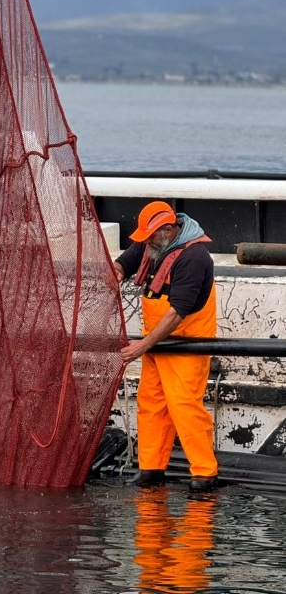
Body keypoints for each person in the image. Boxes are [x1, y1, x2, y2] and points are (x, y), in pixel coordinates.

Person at [115, 201, 218, 493]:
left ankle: (204, 473)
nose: (146, 242)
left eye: (151, 236)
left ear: (169, 230)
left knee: (184, 405)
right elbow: (127, 259)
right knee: (151, 403)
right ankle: (151, 469)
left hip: (187, 342)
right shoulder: (154, 241)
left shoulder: (194, 257)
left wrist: (142, 346)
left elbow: (177, 312)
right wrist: (118, 270)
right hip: (157, 343)